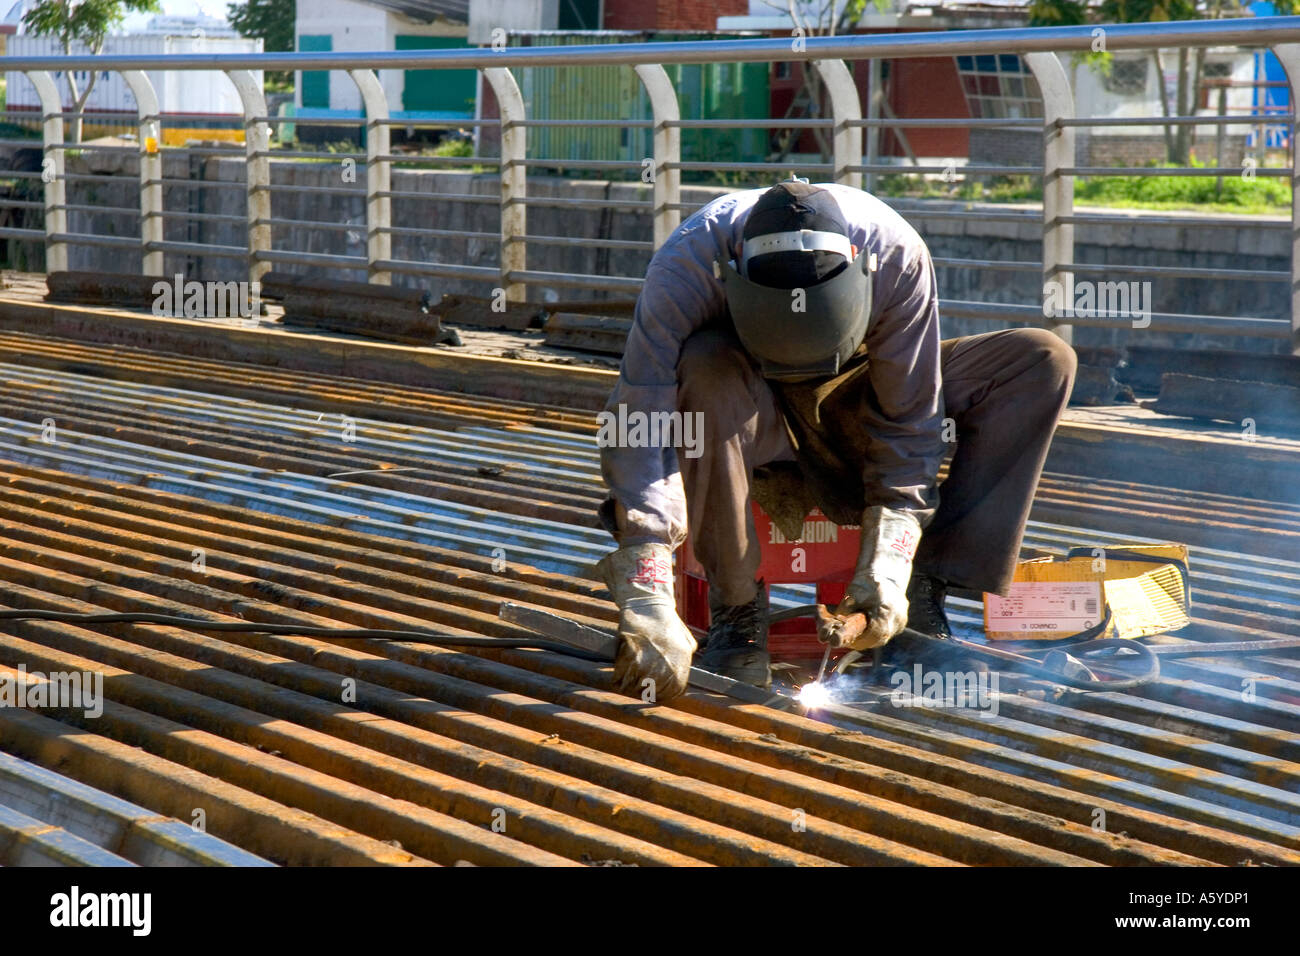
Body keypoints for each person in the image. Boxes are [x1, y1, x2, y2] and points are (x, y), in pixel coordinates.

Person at [595, 179, 1077, 699]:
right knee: (703, 368)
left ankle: (920, 594)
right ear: (732, 273)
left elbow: (912, 417)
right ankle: (737, 617)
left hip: (855, 394)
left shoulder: (894, 254)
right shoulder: (684, 268)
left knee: (1040, 360)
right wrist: (647, 593)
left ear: (858, 266)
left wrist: (890, 561)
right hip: (750, 405)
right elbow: (640, 423)